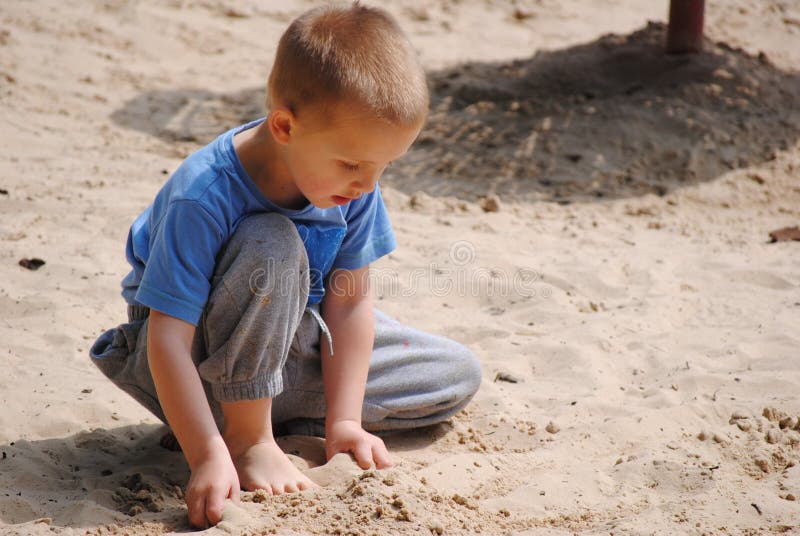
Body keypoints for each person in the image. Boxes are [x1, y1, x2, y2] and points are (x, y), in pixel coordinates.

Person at [89, 2, 481, 529]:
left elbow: (349, 304)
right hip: (185, 363)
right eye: (352, 163)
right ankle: (246, 435)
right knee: (273, 241)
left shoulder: (353, 186)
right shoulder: (203, 195)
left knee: (453, 373)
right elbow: (166, 340)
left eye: (383, 166)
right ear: (284, 126)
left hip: (289, 342)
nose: (367, 184)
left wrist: (344, 423)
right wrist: (208, 456)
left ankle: (277, 415)